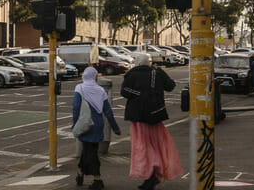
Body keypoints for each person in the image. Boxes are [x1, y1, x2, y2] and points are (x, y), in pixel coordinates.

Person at [121, 59, 182, 190]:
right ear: (150, 63)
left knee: (142, 145)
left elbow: (124, 92)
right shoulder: (157, 73)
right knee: (157, 143)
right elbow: (171, 86)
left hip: (138, 115)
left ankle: (150, 172)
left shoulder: (131, 74)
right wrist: (160, 71)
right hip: (155, 114)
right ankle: (155, 171)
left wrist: (139, 94)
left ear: (137, 63)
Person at [71, 66, 121, 190]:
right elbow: (108, 111)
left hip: (85, 123)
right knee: (89, 150)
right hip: (97, 124)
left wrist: (74, 124)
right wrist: (115, 127)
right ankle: (80, 174)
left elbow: (76, 107)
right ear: (94, 77)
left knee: (90, 152)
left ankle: (97, 180)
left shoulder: (79, 88)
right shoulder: (101, 91)